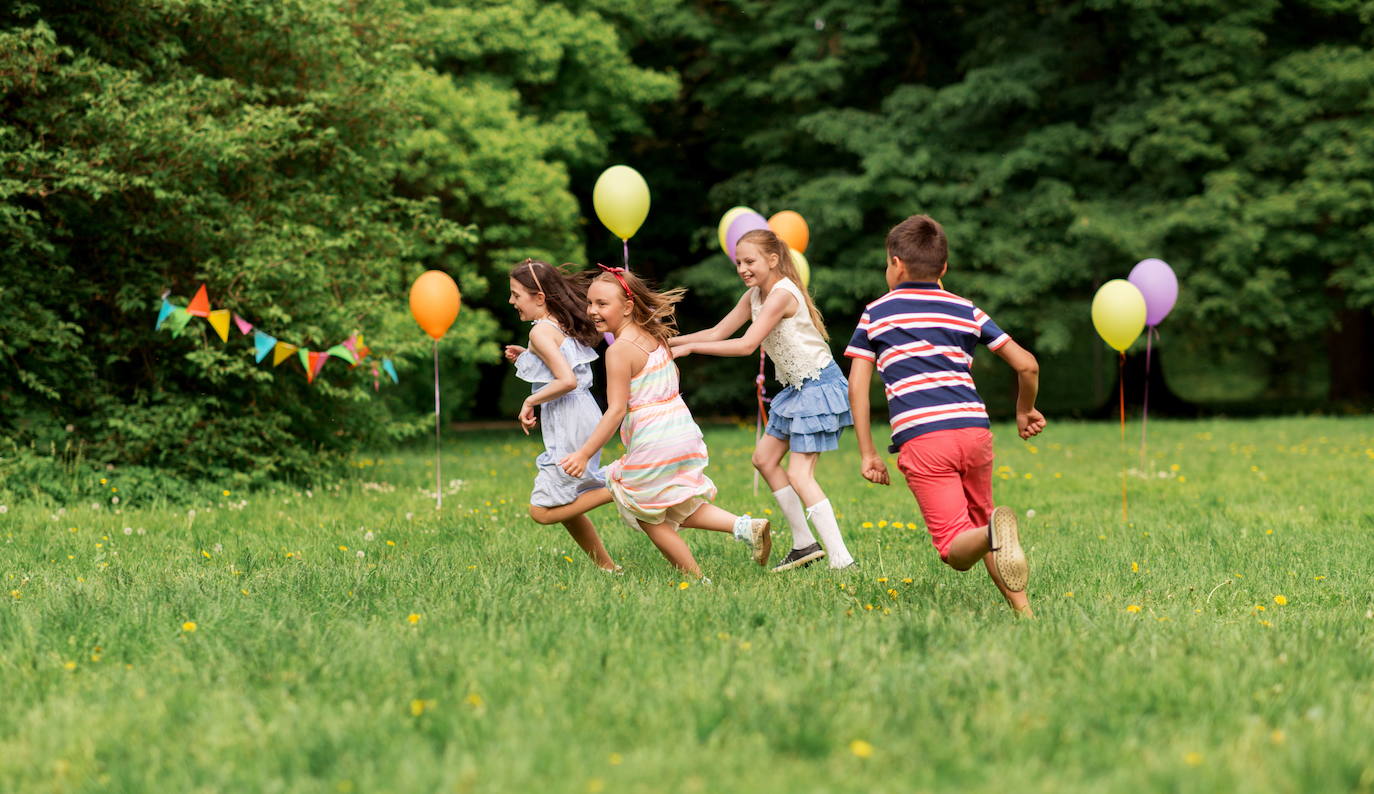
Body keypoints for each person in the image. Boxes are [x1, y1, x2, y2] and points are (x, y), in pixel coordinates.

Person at [844, 215, 1045, 615]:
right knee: (983, 523)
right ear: (944, 268)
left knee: (956, 548)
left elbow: (857, 387)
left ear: (897, 264)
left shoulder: (877, 313)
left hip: (924, 437)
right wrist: (1024, 410)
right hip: (974, 430)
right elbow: (1027, 365)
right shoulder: (966, 310)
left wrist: (868, 453)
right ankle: (1025, 612)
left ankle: (992, 533)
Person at [559, 265, 771, 577]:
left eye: (602, 304)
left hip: (654, 437)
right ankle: (744, 526)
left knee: (644, 512)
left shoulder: (618, 352)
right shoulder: (655, 337)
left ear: (628, 306)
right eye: (589, 303)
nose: (592, 310)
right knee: (674, 505)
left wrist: (583, 453)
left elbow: (616, 410)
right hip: (681, 429)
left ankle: (697, 581)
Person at [671, 228, 855, 571]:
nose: (742, 268)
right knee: (765, 459)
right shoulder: (754, 295)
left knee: (801, 475)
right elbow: (718, 332)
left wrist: (691, 349)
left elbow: (745, 344)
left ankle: (842, 560)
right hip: (797, 389)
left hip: (818, 387)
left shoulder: (782, 294)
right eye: (738, 262)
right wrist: (669, 343)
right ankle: (803, 545)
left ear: (773, 259)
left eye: (750, 261)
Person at [504, 259, 618, 571]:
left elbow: (566, 380)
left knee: (542, 511)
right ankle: (607, 567)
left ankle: (618, 488)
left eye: (516, 295)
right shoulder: (554, 324)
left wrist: (531, 402)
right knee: (564, 502)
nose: (511, 301)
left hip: (570, 418)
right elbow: (564, 366)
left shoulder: (542, 331)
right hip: (579, 414)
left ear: (538, 297)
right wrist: (527, 356)